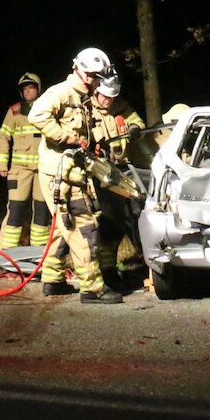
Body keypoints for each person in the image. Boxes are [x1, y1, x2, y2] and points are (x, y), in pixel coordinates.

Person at [26, 47, 122, 304]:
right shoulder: (61, 92)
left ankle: (52, 279)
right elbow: (36, 115)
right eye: (97, 78)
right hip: (61, 175)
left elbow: (86, 129)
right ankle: (93, 288)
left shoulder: (83, 97)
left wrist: (93, 145)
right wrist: (65, 138)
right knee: (84, 228)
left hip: (73, 171)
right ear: (86, 75)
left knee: (64, 227)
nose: (99, 84)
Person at [83, 74, 146, 290]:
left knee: (128, 218)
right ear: (96, 92)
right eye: (105, 96)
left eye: (112, 97)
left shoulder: (121, 106)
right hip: (99, 173)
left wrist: (134, 129)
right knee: (108, 221)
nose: (108, 101)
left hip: (121, 170)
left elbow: (137, 121)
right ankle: (107, 272)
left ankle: (122, 268)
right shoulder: (87, 109)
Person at [0, 72, 51, 250]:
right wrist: (1, 164)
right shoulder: (14, 111)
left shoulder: (47, 109)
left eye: (31, 88)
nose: (28, 92)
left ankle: (40, 251)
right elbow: (3, 136)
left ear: (38, 89)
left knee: (42, 211)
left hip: (43, 169)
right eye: (25, 89)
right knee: (15, 209)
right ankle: (6, 251)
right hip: (20, 170)